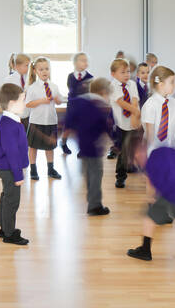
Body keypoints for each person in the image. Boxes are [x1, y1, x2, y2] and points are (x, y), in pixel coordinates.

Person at [65, 78, 114, 216]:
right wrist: (114, 141)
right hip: (93, 146)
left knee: (89, 173)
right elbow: (104, 126)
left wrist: (70, 132)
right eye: (108, 94)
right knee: (96, 174)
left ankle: (92, 200)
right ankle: (95, 205)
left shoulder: (79, 101)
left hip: (83, 144)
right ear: (103, 92)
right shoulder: (96, 105)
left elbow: (69, 120)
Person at [0, 83, 30, 246]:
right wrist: (18, 175)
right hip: (9, 168)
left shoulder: (12, 121)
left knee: (6, 196)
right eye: (22, 100)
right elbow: (12, 153)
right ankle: (9, 233)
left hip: (8, 167)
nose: (25, 103)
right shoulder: (8, 125)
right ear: (12, 104)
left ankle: (4, 227)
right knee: (12, 200)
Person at [24, 56, 63, 180]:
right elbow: (28, 104)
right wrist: (41, 101)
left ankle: (51, 169)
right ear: (35, 71)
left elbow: (59, 100)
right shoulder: (32, 88)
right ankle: (33, 169)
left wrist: (57, 99)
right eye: (41, 69)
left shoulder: (54, 86)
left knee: (50, 147)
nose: (45, 71)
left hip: (50, 121)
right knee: (33, 147)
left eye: (47, 68)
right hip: (36, 121)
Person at [109, 57, 141, 187]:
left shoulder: (132, 84)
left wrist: (135, 116)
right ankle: (120, 176)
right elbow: (121, 102)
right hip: (121, 125)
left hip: (133, 122)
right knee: (123, 150)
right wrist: (136, 112)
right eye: (123, 72)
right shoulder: (113, 86)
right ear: (113, 74)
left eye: (128, 71)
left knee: (132, 147)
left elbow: (134, 99)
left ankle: (131, 165)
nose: (127, 75)